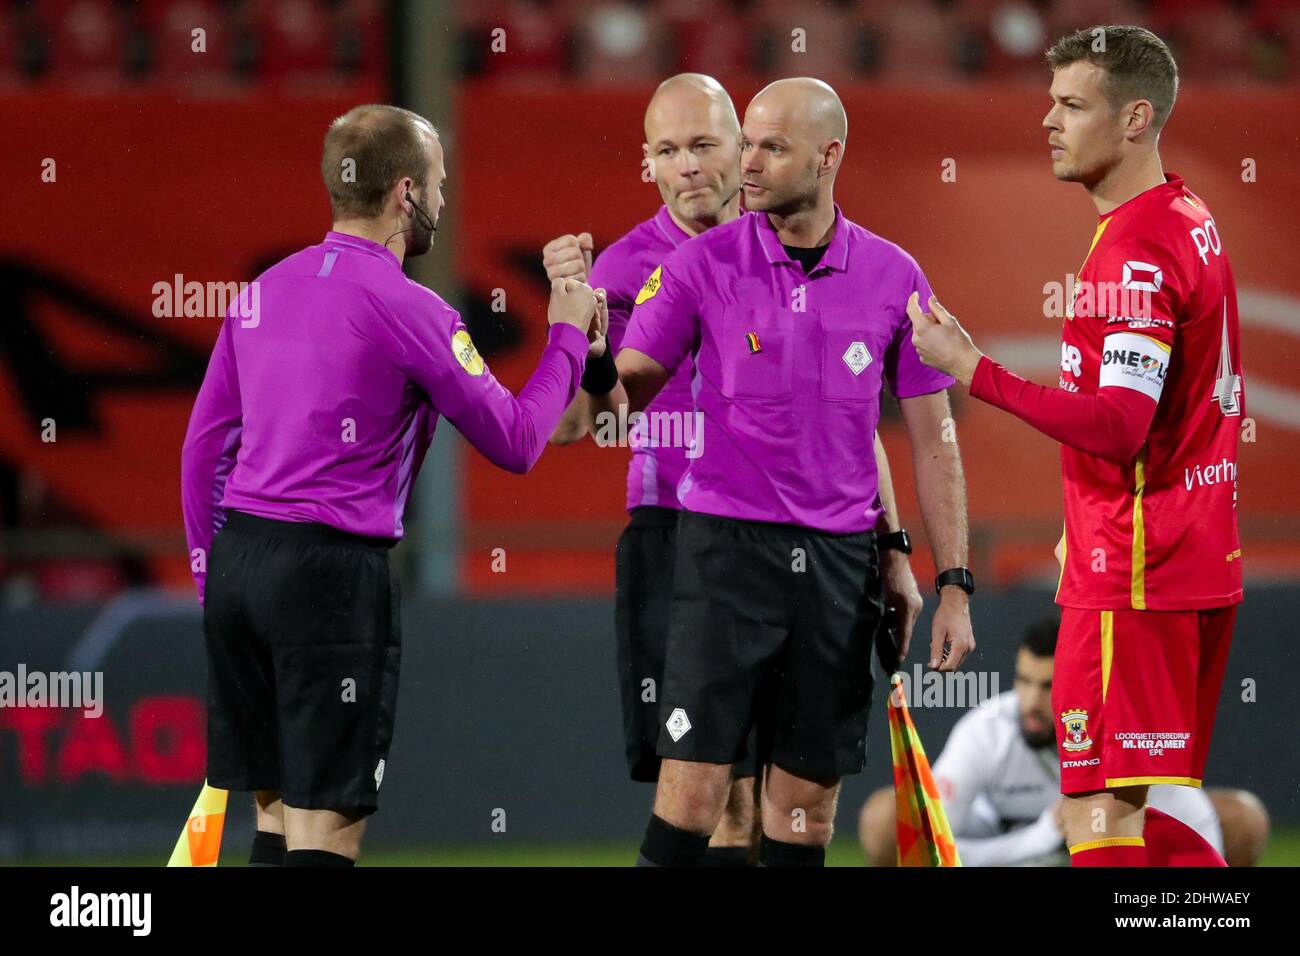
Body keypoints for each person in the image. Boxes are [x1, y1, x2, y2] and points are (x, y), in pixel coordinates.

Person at [180, 104, 601, 866]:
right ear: (406, 193)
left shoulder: (261, 290)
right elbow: (514, 440)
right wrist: (568, 333)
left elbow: (203, 448)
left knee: (274, 819)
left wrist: (212, 575)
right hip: (329, 578)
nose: (444, 199)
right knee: (325, 833)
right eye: (438, 182)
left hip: (241, 563)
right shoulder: (415, 310)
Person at [588, 77, 975, 867]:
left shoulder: (895, 275)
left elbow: (932, 439)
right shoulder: (700, 265)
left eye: (771, 146)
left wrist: (948, 582)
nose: (748, 163)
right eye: (748, 143)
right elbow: (623, 397)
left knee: (804, 810)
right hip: (723, 555)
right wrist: (591, 359)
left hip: (838, 567)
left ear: (828, 156)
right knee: (694, 796)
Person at [907, 26, 1245, 867]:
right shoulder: (1186, 213)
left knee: (1094, 812)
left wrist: (973, 369)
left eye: (1071, 104)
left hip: (1133, 570)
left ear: (1135, 117)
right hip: (1194, 556)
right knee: (1130, 808)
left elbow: (1121, 427)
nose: (1047, 121)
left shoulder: (1133, 253)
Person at [858, 618, 1269, 866]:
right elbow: (933, 848)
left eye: (1050, 687)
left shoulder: (1125, 734)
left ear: (1081, 689)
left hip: (1111, 857)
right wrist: (1041, 838)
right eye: (1023, 681)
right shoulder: (988, 730)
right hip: (1009, 850)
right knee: (885, 821)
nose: (1032, 702)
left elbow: (1201, 832)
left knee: (1243, 820)